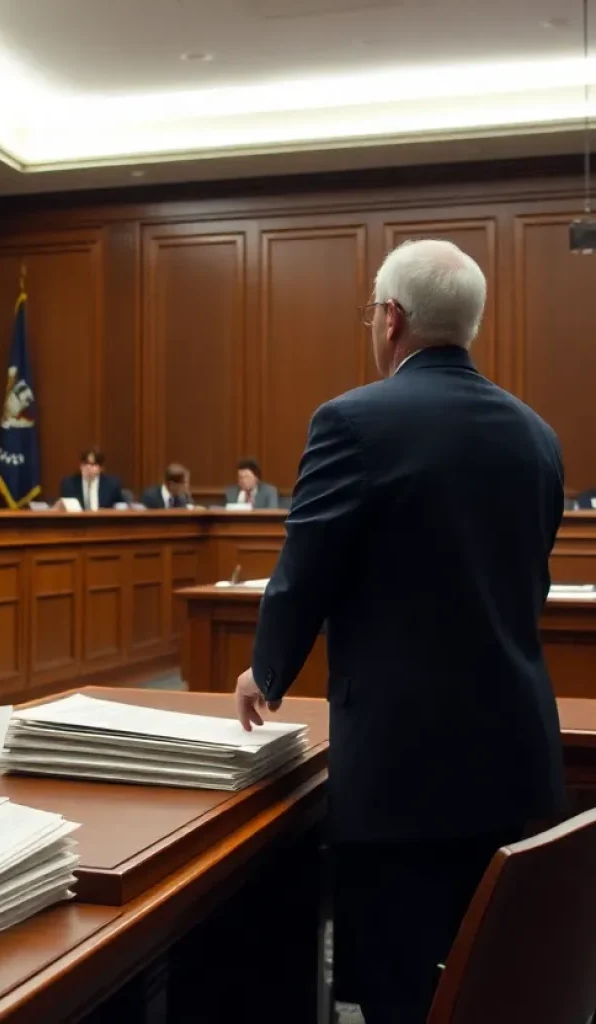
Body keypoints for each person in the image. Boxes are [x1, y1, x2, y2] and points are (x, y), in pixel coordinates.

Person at [234, 239, 565, 1024]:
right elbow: (531, 585)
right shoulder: (537, 434)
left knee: (397, 991)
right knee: (487, 976)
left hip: (402, 765)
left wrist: (267, 671)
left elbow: (305, 565)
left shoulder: (353, 420)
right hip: (512, 751)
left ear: (391, 319)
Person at [59, 446, 123, 510]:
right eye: (85, 464)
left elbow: (120, 508)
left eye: (92, 464)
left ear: (101, 468)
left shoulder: (112, 484)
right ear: (80, 466)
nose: (88, 467)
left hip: (104, 519)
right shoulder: (69, 484)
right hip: (77, 519)